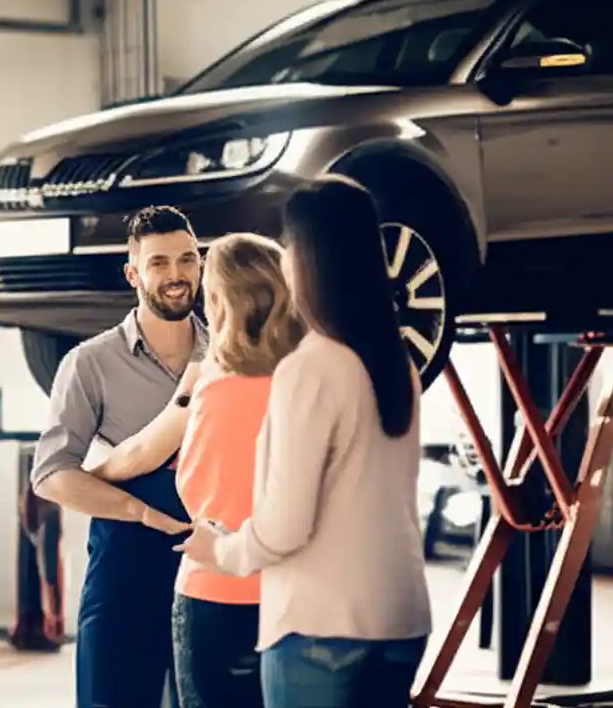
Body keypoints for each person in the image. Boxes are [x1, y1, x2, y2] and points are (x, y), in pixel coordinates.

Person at [179, 175, 432, 708]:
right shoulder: (396, 361)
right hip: (400, 617)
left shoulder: (312, 368)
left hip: (323, 625)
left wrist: (219, 550)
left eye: (291, 246)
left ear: (309, 258)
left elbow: (284, 528)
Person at [90, 232, 303, 708]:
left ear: (219, 302)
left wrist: (92, 478)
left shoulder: (208, 377)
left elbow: (178, 475)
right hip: (294, 593)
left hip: (214, 585)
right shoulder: (309, 380)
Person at [31, 205, 207, 708]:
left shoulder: (230, 353)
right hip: (126, 564)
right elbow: (50, 475)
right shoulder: (91, 363)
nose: (175, 276)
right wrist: (141, 512)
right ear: (133, 274)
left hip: (214, 562)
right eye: (158, 263)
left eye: (186, 260)